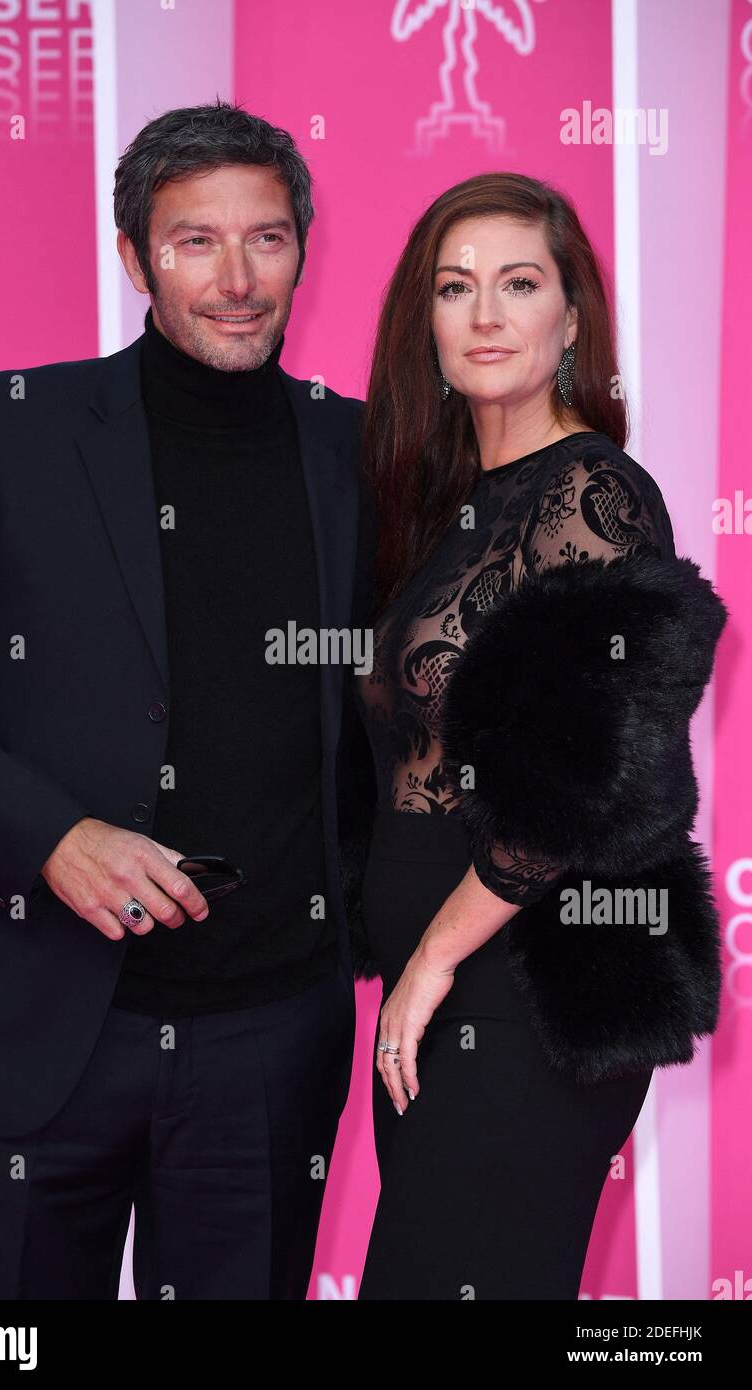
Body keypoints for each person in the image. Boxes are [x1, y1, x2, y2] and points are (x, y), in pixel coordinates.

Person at [0, 100, 373, 1301]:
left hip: (272, 1038)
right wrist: (49, 837)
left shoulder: (364, 453)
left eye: (265, 238)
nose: (236, 278)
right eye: (194, 240)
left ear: (302, 247)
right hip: (33, 1021)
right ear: (133, 256)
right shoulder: (10, 432)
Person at [345, 171, 727, 1300]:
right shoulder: (443, 502)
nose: (483, 314)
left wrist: (430, 961)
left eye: (518, 283)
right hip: (438, 977)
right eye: (453, 288)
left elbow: (575, 786)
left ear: (570, 319)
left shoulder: (593, 497)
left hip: (527, 979)